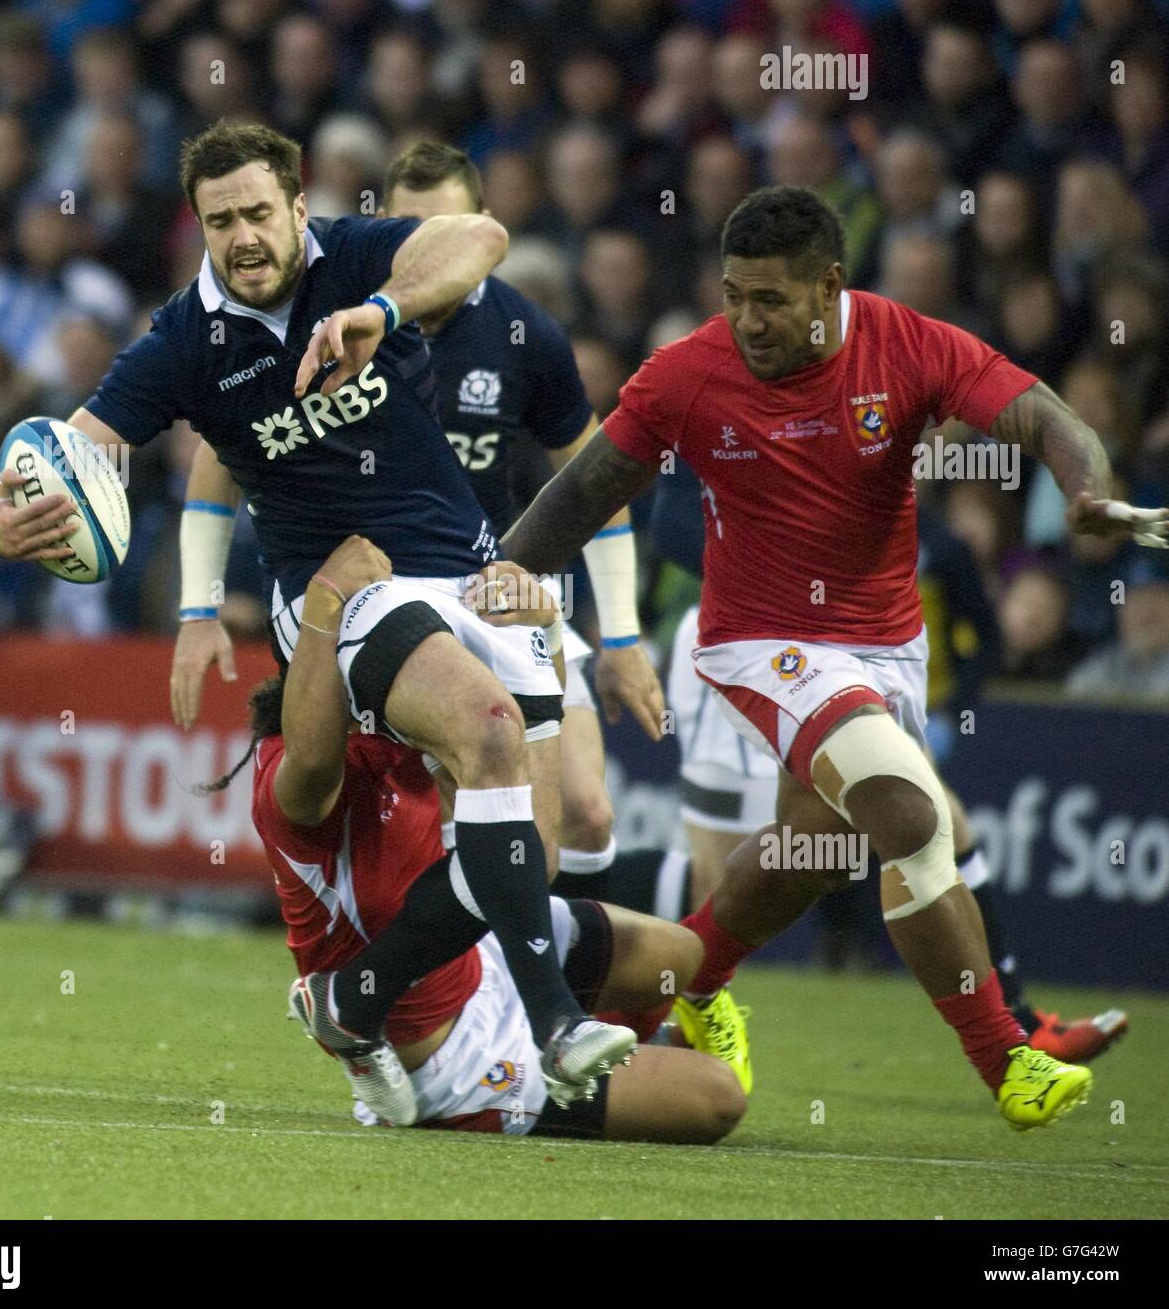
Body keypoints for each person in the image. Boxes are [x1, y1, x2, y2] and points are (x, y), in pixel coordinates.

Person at [0, 120, 661, 1108]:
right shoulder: (182, 344)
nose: (242, 236)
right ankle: (554, 1020)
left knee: (527, 839)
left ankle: (355, 996)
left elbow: (483, 240)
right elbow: (52, 458)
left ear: (296, 207)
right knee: (491, 729)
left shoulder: (356, 255)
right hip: (342, 594)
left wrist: (380, 307)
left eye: (257, 212)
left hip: (475, 582)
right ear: (199, 228)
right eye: (218, 221)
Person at [500, 185, 1168, 1130]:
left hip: (884, 642)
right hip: (760, 641)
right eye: (733, 295)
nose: (746, 320)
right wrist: (492, 581)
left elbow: (1043, 414)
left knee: (818, 852)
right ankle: (1007, 1058)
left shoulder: (908, 344)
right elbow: (583, 489)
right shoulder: (688, 372)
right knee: (909, 811)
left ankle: (691, 980)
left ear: (830, 286)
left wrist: (1088, 485)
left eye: (769, 299)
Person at [170, 139, 657, 893]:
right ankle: (445, 982)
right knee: (421, 801)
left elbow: (596, 481)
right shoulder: (322, 321)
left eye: (437, 233)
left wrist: (620, 634)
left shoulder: (524, 338)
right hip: (366, 597)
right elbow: (216, 470)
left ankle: (544, 984)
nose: (416, 258)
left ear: (475, 232)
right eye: (404, 232)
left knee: (585, 813)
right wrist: (198, 605)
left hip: (498, 592)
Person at [216, 531, 743, 1140]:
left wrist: (540, 634)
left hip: (481, 957)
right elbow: (312, 757)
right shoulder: (295, 784)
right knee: (719, 1099)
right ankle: (545, 1057)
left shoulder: (416, 730)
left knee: (681, 956)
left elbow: (538, 840)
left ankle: (587, 1044)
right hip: (448, 1052)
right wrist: (326, 600)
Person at [646, 461, 1127, 1062]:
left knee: (934, 820)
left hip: (841, 656)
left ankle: (1018, 1025)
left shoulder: (846, 403)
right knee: (729, 870)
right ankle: (664, 1015)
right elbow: (668, 522)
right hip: (742, 646)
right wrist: (777, 578)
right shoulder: (709, 382)